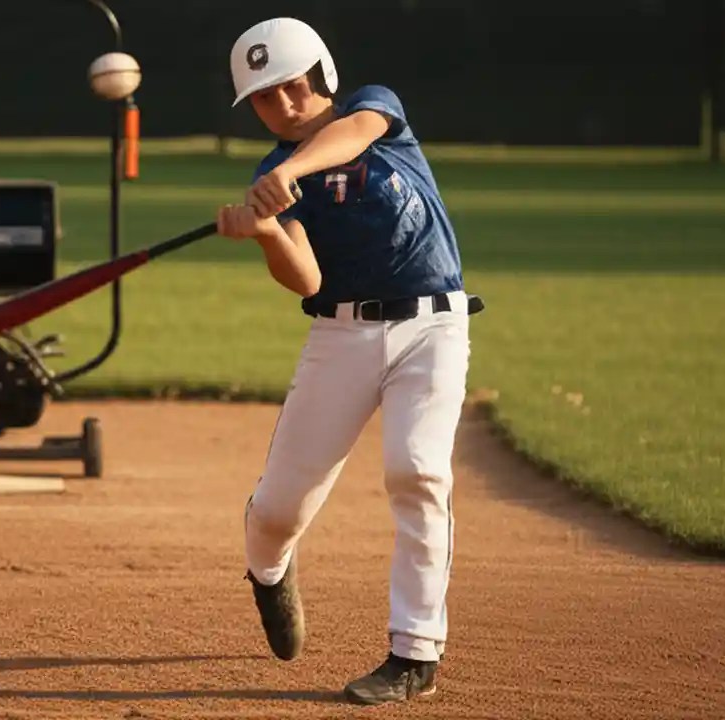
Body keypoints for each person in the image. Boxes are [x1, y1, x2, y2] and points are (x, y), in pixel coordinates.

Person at [215, 17, 481, 706]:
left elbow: (354, 134)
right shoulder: (270, 175)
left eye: (292, 85)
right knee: (276, 512)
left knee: (417, 471)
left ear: (323, 76)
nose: (283, 103)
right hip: (342, 337)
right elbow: (305, 278)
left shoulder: (374, 107)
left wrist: (289, 174)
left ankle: (415, 652)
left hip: (434, 326)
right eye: (266, 98)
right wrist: (268, 227)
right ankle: (270, 572)